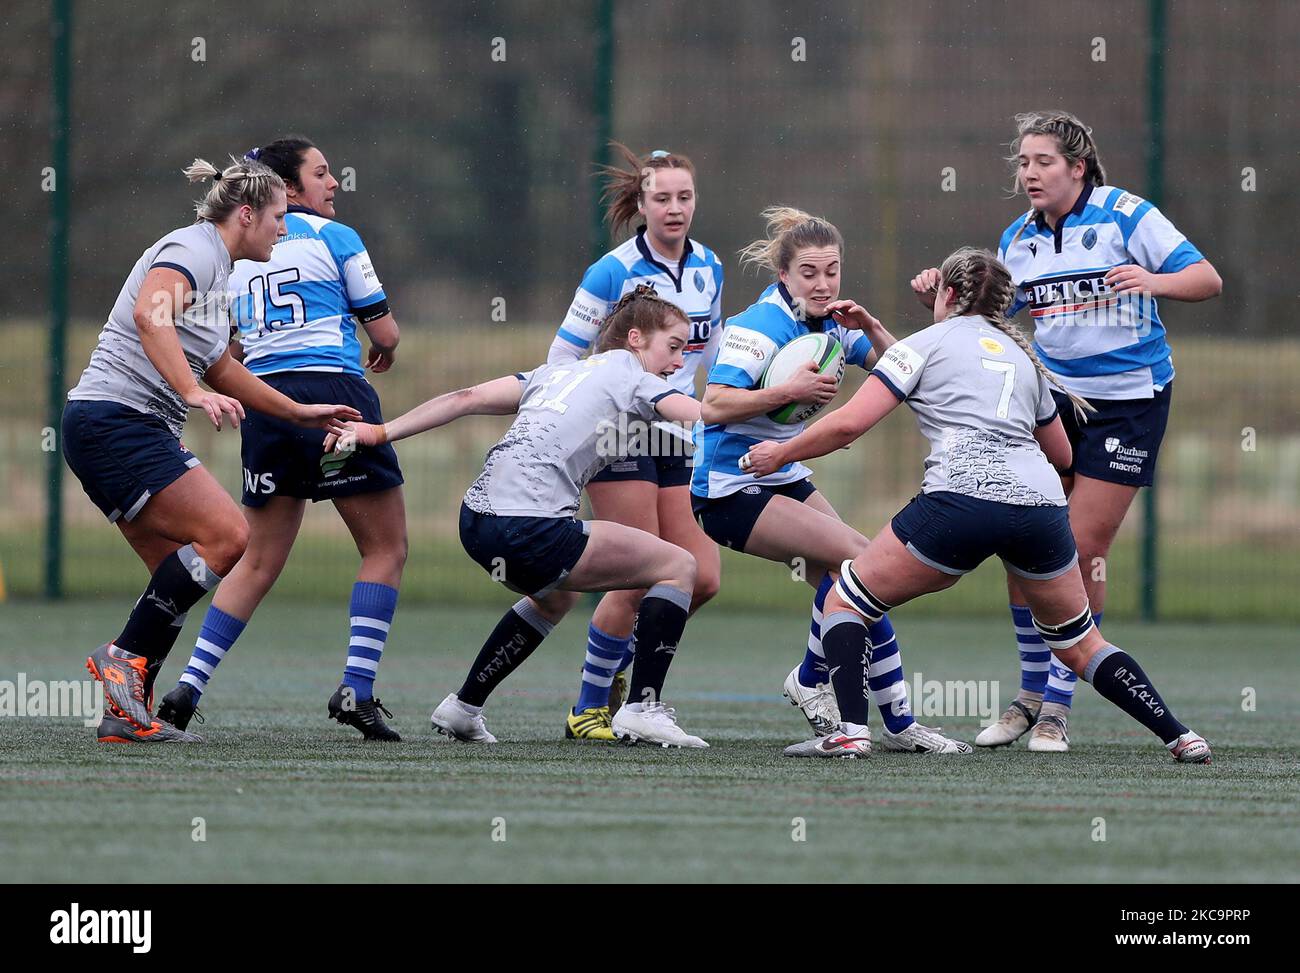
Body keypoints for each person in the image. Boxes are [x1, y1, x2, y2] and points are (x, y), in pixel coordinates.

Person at [747, 247, 1211, 764]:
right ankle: (1179, 735)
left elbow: (850, 423)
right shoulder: (1024, 360)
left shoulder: (926, 343)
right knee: (1081, 645)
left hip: (960, 502)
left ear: (945, 294)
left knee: (846, 599)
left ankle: (851, 732)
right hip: (1040, 508)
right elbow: (1061, 454)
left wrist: (781, 452)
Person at [911, 110, 1222, 752]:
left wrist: (1154, 280)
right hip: (1054, 405)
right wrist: (939, 301)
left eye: (1042, 161)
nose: (1029, 173)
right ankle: (1029, 696)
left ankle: (1056, 708)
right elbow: (990, 317)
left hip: (1128, 404)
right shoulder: (1019, 237)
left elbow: (1207, 280)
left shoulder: (1126, 215)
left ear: (1077, 167)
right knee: (1026, 535)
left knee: (1079, 547)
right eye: (1022, 162)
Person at [328, 288, 709, 748]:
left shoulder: (553, 373)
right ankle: (642, 708)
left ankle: (464, 707)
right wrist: (778, 400)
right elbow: (704, 415)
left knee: (554, 599)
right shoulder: (635, 378)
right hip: (529, 528)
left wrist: (380, 431)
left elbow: (464, 397)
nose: (679, 362)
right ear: (635, 339)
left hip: (476, 522)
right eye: (673, 347)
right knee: (680, 566)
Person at [64, 156, 360, 743]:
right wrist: (189, 391)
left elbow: (223, 367)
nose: (284, 227)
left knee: (167, 579)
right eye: (278, 216)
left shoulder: (220, 271)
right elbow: (153, 318)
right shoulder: (195, 249)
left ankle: (126, 717)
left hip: (116, 428)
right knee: (229, 537)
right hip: (115, 423)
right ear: (246, 215)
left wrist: (299, 411)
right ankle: (123, 656)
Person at [155, 136, 408, 741]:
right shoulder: (335, 237)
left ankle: (188, 685)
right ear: (288, 190)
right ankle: (358, 687)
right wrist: (385, 346)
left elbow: (228, 347)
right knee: (385, 549)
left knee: (259, 558)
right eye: (322, 173)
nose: (335, 182)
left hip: (265, 402)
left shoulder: (237, 252)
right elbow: (388, 331)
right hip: (332, 398)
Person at [693, 207, 970, 754]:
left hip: (783, 469)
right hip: (731, 485)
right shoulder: (757, 327)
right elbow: (714, 404)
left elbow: (905, 370)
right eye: (810, 274)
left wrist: (868, 327)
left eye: (832, 271)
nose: (823, 285)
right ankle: (881, 720)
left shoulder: (835, 324)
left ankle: (861, 706)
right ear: (784, 276)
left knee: (859, 582)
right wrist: (786, 392)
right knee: (862, 568)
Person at [548, 145, 723, 740]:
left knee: (701, 576)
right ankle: (590, 707)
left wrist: (716, 413)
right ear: (641, 204)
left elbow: (712, 354)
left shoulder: (711, 267)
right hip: (619, 432)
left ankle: (619, 666)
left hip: (676, 432)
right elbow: (562, 357)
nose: (675, 209)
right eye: (662, 198)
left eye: (685, 197)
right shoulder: (612, 270)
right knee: (639, 573)